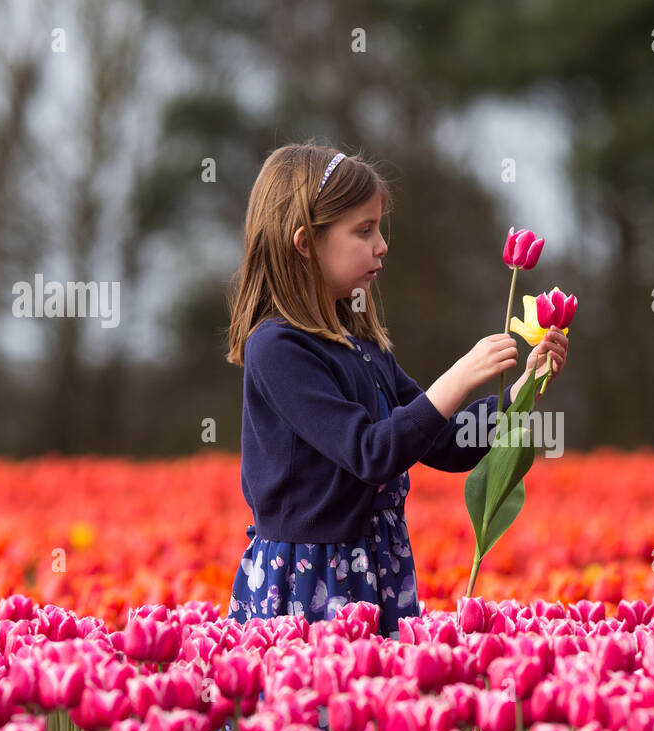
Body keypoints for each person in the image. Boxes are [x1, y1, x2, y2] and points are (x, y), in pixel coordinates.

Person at [225, 142, 568, 640]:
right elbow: (371, 453)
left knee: (376, 712)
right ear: (304, 242)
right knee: (319, 714)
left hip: (378, 564)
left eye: (378, 228)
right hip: (312, 578)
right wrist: (459, 376)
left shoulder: (361, 343)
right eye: (363, 231)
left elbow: (446, 443)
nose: (382, 245)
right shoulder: (278, 348)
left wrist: (521, 389)